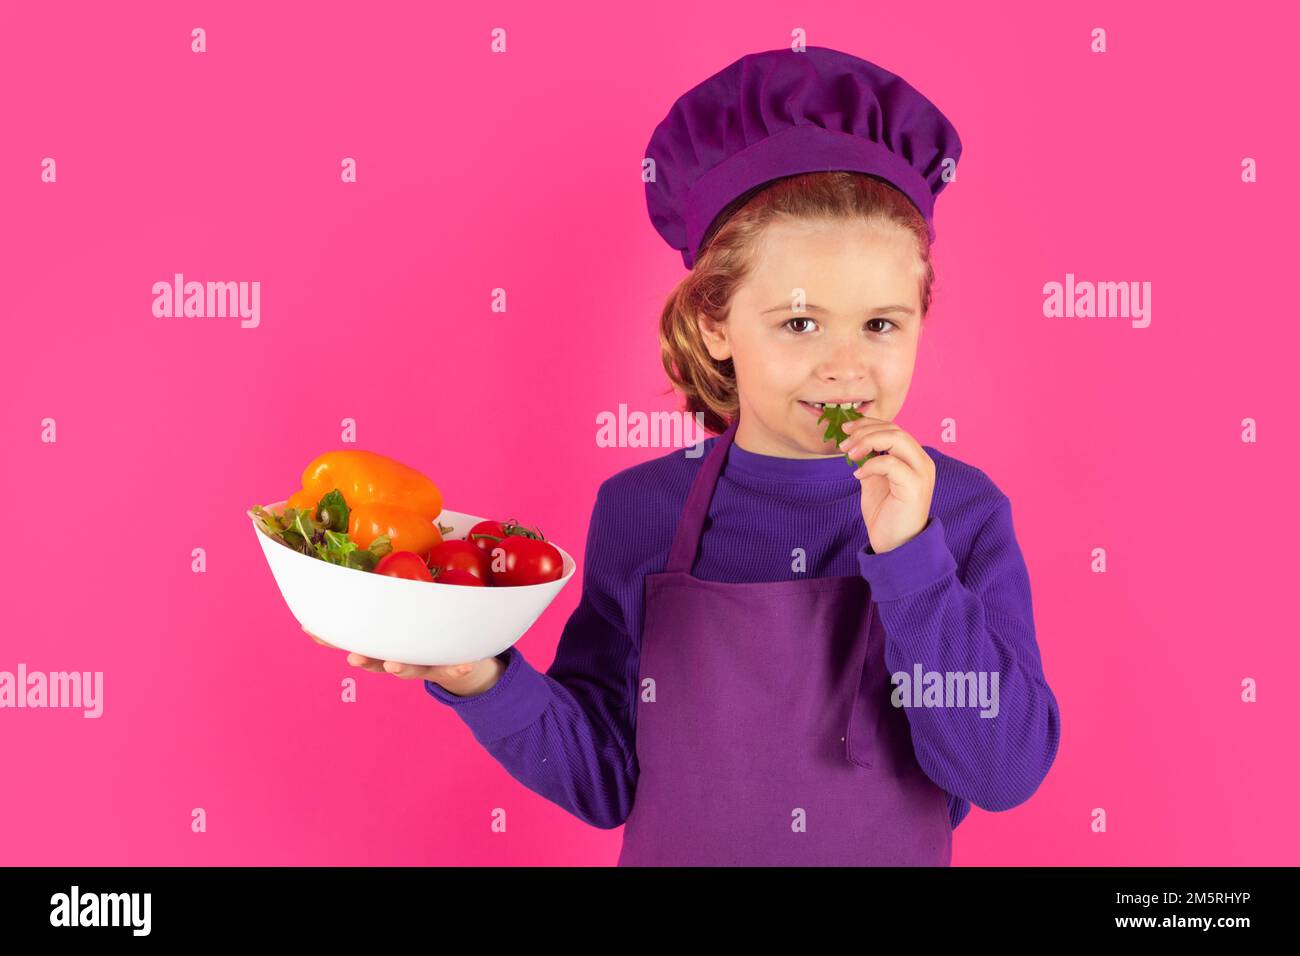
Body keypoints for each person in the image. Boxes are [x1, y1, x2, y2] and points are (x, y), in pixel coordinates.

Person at [309, 45, 1061, 866]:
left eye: (880, 323)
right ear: (714, 324)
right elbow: (605, 779)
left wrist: (914, 563)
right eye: (800, 324)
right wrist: (482, 678)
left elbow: (1002, 770)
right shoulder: (642, 509)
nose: (846, 365)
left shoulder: (959, 510)